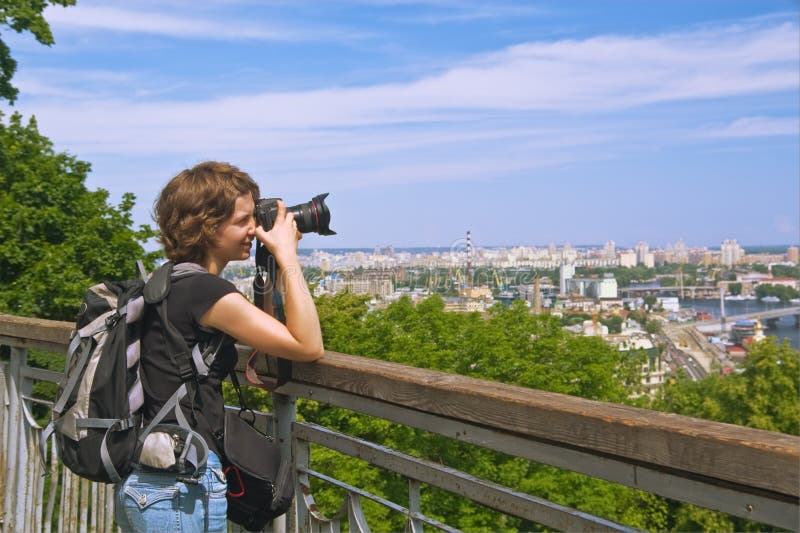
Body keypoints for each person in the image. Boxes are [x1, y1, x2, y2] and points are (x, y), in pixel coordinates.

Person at [114, 161, 324, 532]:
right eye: (244, 220)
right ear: (208, 226)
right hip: (181, 486)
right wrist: (290, 258)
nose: (254, 230)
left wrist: (272, 263)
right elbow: (307, 345)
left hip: (152, 477)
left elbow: (271, 333)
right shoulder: (207, 293)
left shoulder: (169, 282)